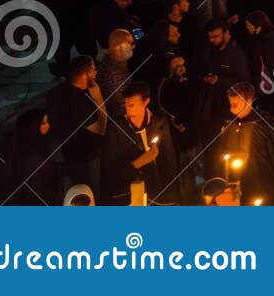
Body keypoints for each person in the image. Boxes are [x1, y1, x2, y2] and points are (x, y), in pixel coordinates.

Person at [210, 82, 274, 205]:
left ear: (248, 101)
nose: (232, 107)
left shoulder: (262, 123)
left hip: (260, 179)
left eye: (236, 103)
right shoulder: (228, 123)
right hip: (235, 179)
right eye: (231, 103)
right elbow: (221, 153)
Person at [100, 81, 179, 204]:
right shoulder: (116, 128)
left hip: (158, 193)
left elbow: (169, 161)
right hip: (128, 194)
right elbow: (110, 173)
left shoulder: (159, 122)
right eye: (125, 105)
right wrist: (140, 162)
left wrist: (172, 195)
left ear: (146, 102)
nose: (127, 110)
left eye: (131, 105)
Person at [46, 55, 106, 192]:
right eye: (94, 70)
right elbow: (100, 128)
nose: (96, 73)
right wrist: (99, 97)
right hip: (85, 157)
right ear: (85, 74)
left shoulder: (56, 92)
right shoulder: (80, 101)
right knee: (89, 193)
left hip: (64, 154)